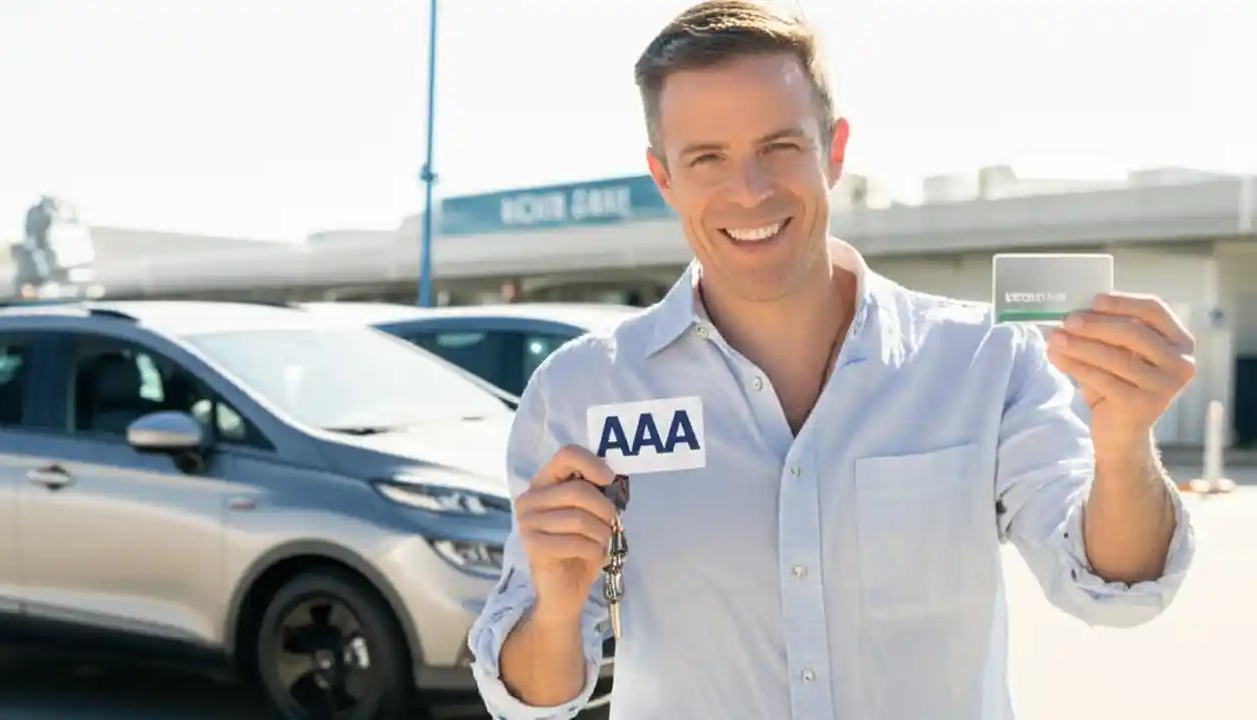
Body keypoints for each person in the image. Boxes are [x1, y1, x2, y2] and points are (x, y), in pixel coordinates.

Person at [466, 2, 1197, 718]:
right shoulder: (582, 391)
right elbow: (532, 702)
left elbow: (1111, 587)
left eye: (779, 147)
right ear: (664, 179)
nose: (749, 192)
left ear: (834, 150)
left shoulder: (981, 360)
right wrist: (558, 614)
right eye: (708, 158)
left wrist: (1125, 440)